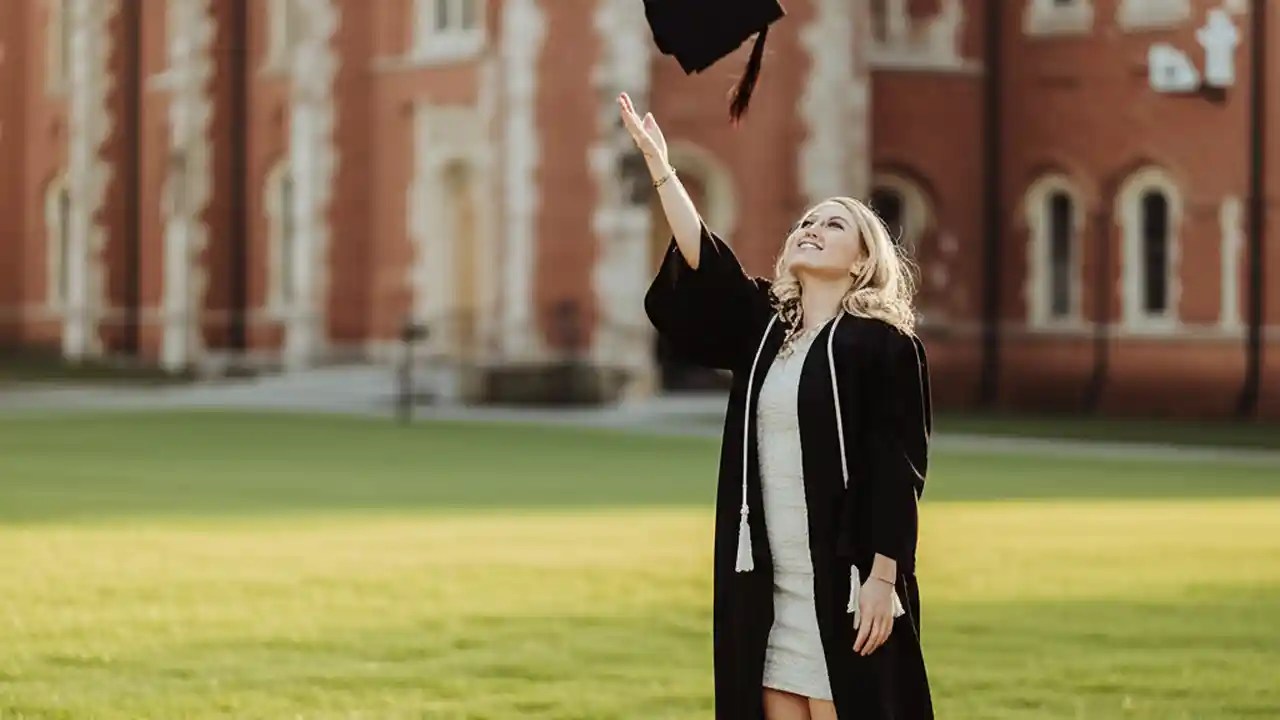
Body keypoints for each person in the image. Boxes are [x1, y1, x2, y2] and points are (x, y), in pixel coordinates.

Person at [620, 92, 934, 720]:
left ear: (863, 262)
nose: (811, 229)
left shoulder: (882, 346)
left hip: (843, 582)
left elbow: (897, 465)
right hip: (766, 583)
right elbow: (705, 261)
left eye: (833, 225)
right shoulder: (767, 332)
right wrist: (661, 165)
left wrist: (883, 578)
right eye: (806, 223)